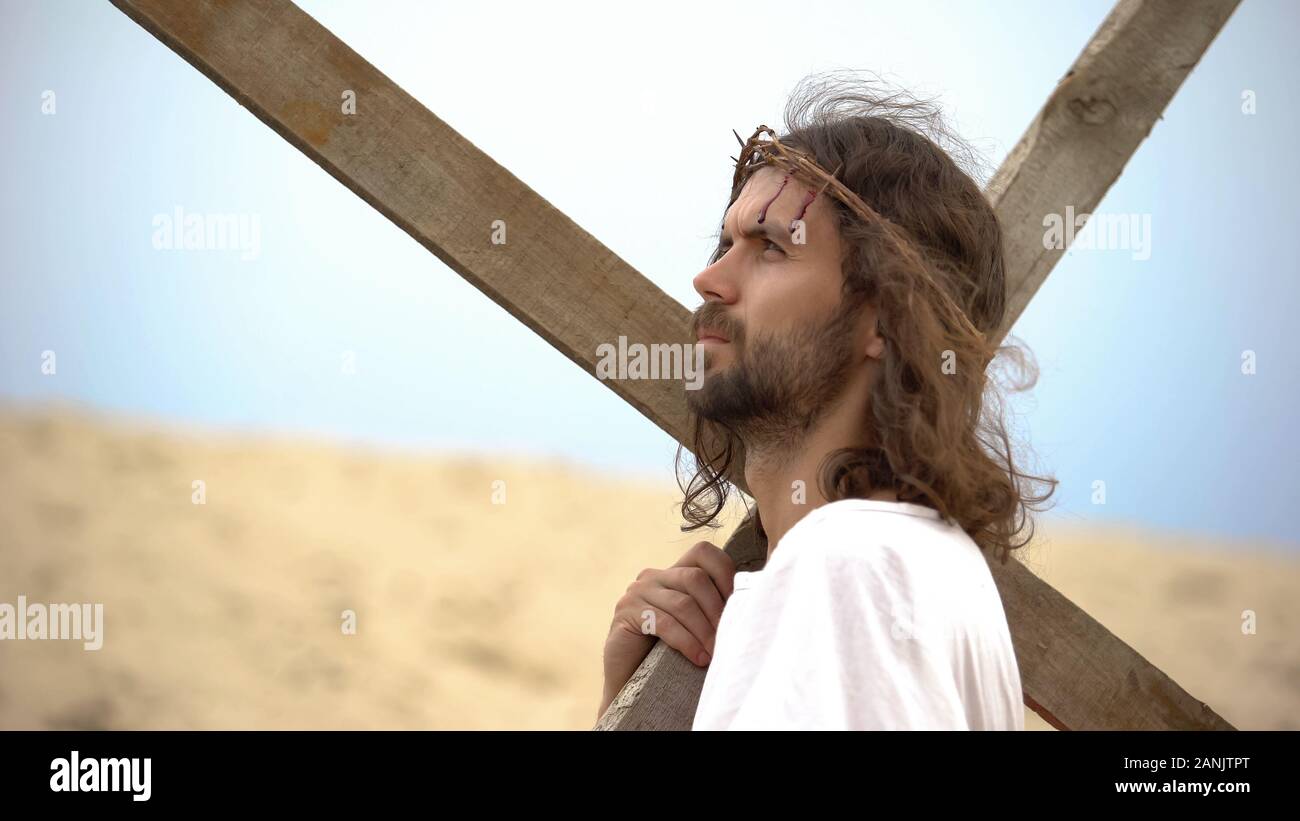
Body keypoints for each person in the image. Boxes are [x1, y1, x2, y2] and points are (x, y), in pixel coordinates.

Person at [599, 73, 1057, 730]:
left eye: (771, 247)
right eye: (726, 243)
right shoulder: (890, 563)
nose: (709, 278)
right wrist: (626, 708)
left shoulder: (850, 572)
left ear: (888, 317)